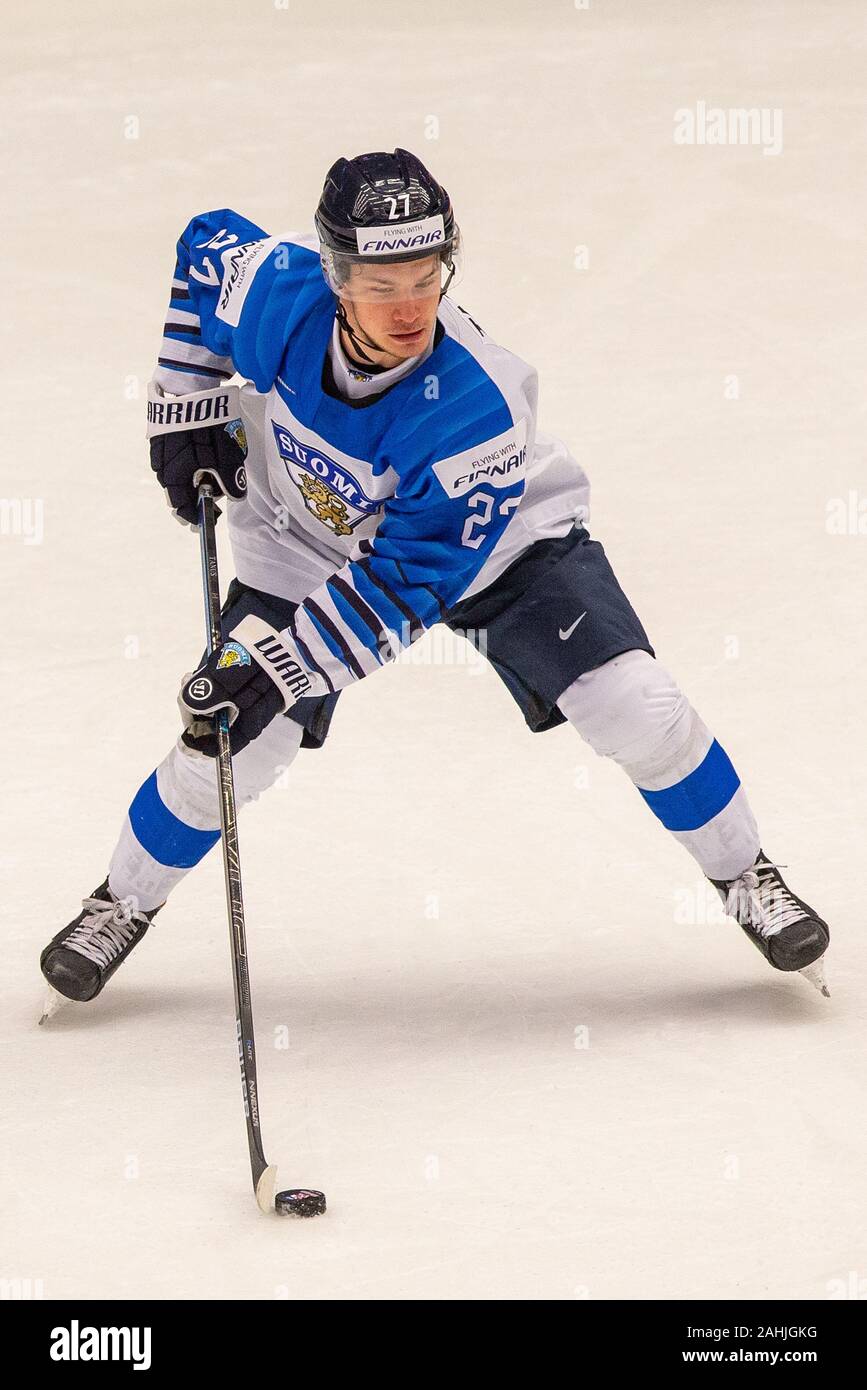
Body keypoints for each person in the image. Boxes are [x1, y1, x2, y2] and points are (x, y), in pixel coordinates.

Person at [40, 148, 829, 1005]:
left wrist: (274, 667)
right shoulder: (276, 290)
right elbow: (203, 253)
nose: (409, 307)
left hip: (496, 550)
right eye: (381, 285)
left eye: (425, 277)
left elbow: (405, 584)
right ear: (335, 274)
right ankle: (119, 902)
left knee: (637, 706)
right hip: (303, 537)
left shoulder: (474, 405)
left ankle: (746, 875)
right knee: (230, 739)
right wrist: (183, 405)